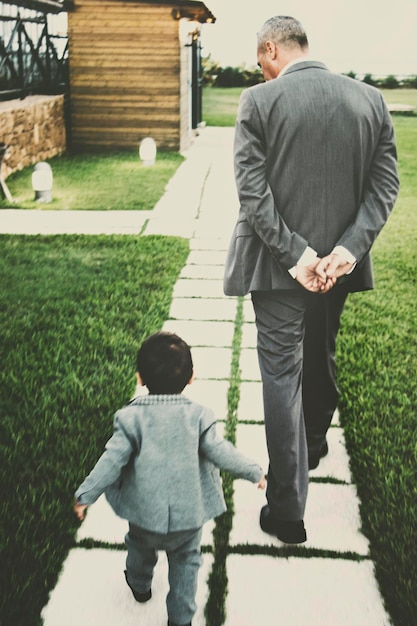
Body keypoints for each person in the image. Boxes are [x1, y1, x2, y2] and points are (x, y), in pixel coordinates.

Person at [224, 16, 399, 544]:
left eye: (261, 62)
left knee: (282, 377)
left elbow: (252, 195)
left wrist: (297, 256)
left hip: (278, 272)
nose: (262, 71)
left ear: (272, 48)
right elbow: (385, 186)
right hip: (338, 272)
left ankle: (287, 511)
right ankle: (315, 446)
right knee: (320, 350)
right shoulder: (370, 100)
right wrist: (344, 252)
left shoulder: (259, 101)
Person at [73, 331, 265, 626]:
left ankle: (139, 586)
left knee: (139, 547)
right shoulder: (200, 417)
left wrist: (85, 495)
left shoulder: (130, 418)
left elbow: (111, 461)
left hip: (143, 515)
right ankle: (181, 618)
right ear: (191, 378)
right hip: (188, 518)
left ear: (139, 378)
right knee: (187, 564)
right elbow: (220, 452)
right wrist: (253, 470)